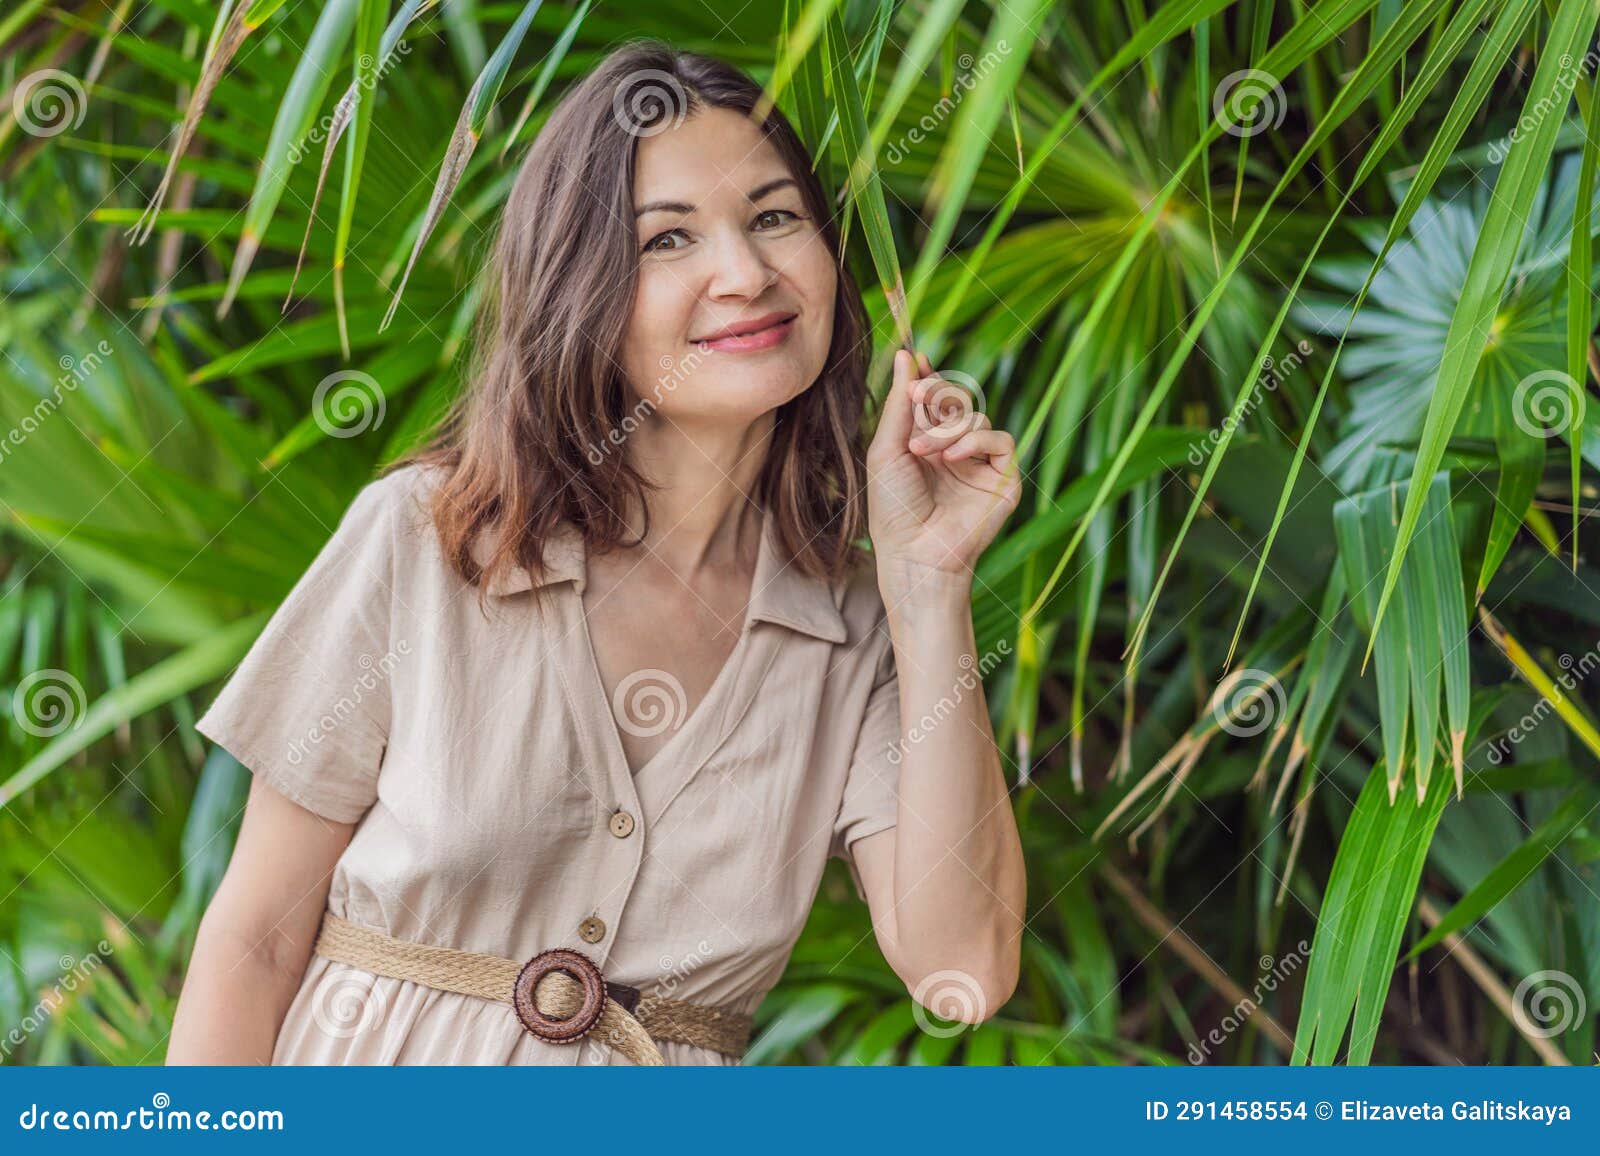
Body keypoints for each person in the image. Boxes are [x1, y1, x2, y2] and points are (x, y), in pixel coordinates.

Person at [168, 40, 1024, 1066]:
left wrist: (928, 588)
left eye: (774, 216)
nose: (744, 273)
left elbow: (961, 966)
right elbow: (252, 943)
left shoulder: (856, 626)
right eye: (668, 240)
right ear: (583, 289)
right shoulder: (429, 541)